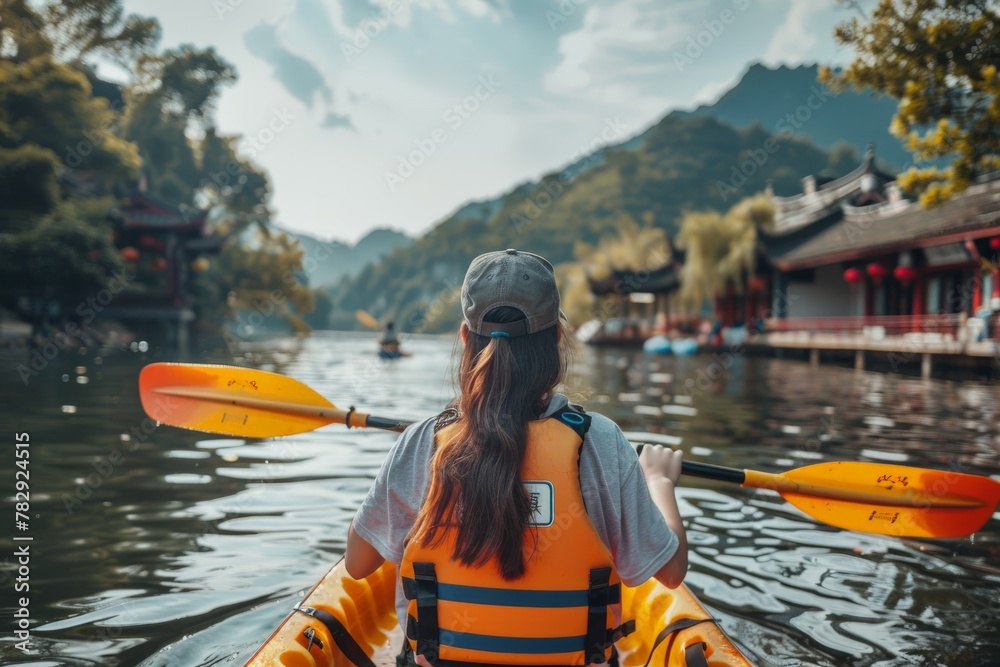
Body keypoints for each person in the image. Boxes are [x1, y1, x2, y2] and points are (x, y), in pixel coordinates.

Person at [346, 249, 687, 667]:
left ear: (465, 338)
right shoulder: (601, 441)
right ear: (557, 340)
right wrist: (660, 483)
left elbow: (358, 564)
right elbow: (670, 572)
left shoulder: (424, 442)